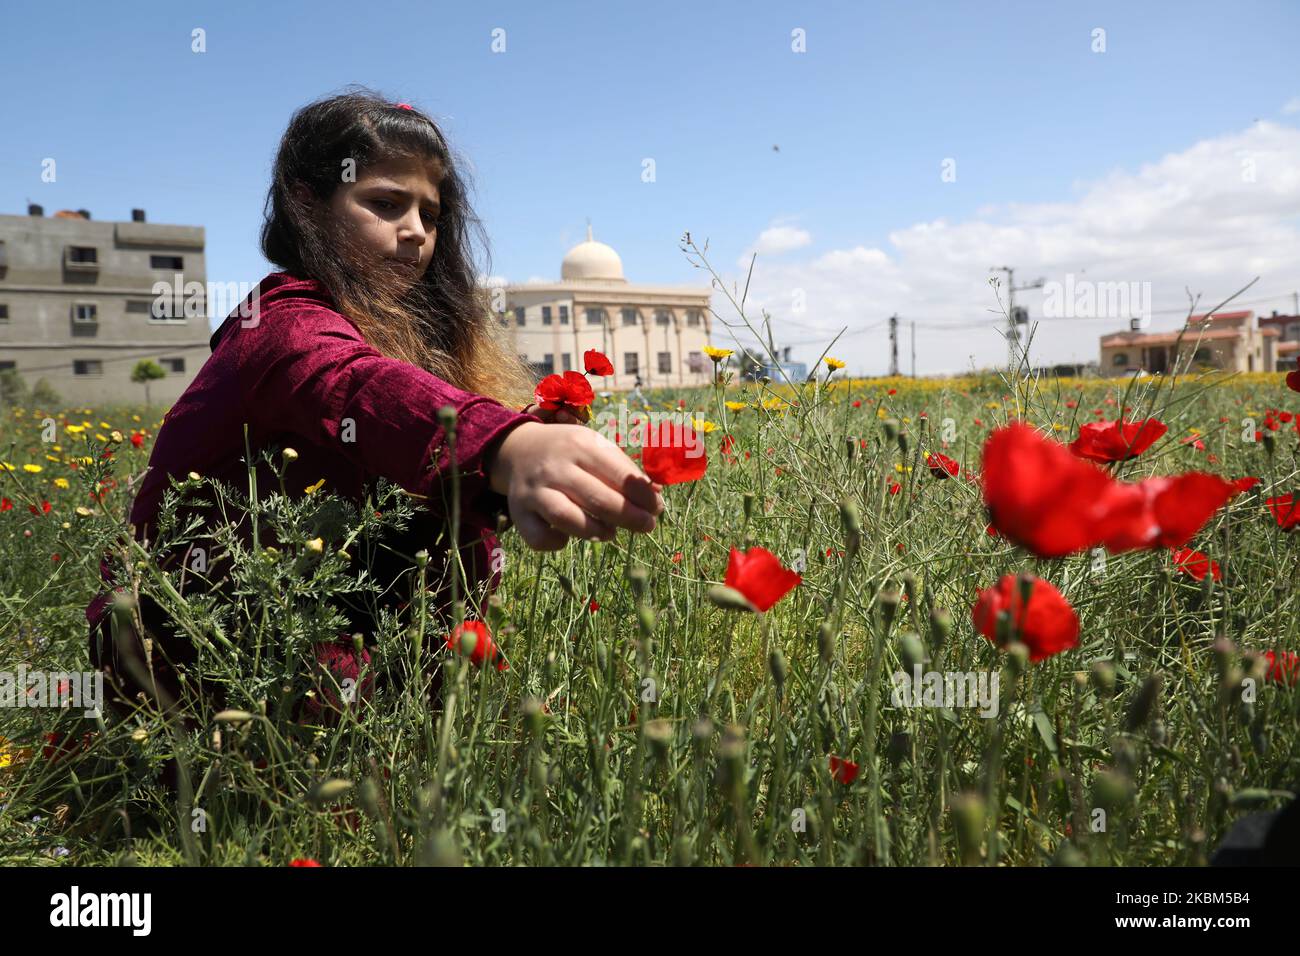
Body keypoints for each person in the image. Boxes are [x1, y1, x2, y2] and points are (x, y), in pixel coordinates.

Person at [85, 89, 664, 731]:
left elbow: (397, 444)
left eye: (430, 213)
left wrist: (511, 453)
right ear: (308, 201)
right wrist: (506, 445)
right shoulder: (283, 325)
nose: (416, 230)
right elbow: (358, 389)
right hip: (198, 675)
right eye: (386, 204)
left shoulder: (402, 330)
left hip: (316, 652)